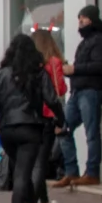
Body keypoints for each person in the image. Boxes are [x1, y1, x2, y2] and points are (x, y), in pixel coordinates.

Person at [0, 32, 58, 203]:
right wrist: (61, 119)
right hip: (30, 129)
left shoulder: (0, 75)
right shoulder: (38, 73)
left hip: (7, 130)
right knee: (22, 175)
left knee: (21, 173)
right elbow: (52, 99)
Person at [64, 4, 102, 185]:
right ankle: (72, 171)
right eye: (79, 18)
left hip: (90, 91)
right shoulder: (85, 42)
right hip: (77, 91)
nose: (80, 21)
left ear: (92, 19)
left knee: (91, 133)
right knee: (62, 128)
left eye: (83, 18)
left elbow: (101, 66)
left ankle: (92, 172)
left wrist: (75, 69)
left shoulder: (100, 41)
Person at [32, 28, 75, 188]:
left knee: (36, 155)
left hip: (33, 112)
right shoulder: (54, 62)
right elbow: (61, 89)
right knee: (52, 148)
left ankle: (39, 199)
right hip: (50, 112)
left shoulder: (31, 64)